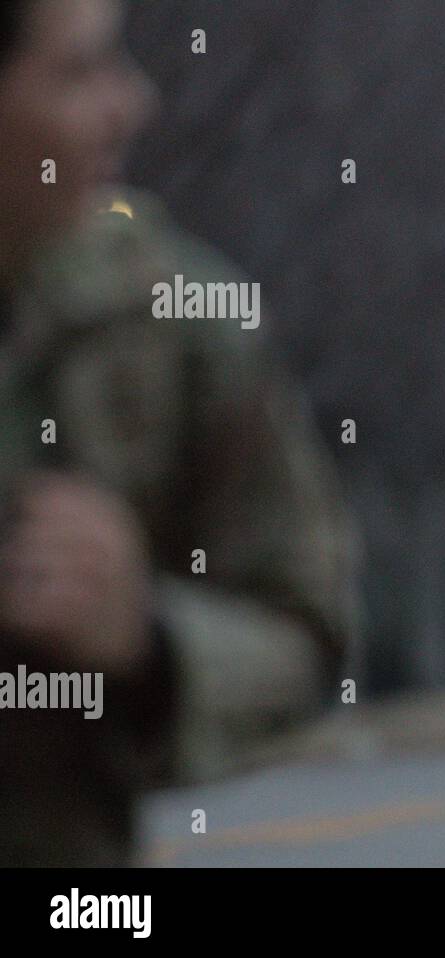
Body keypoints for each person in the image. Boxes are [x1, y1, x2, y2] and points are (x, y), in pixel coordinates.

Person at [0, 0, 360, 865]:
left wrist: (148, 638)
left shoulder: (172, 317)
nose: (133, 103)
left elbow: (307, 630)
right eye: (81, 71)